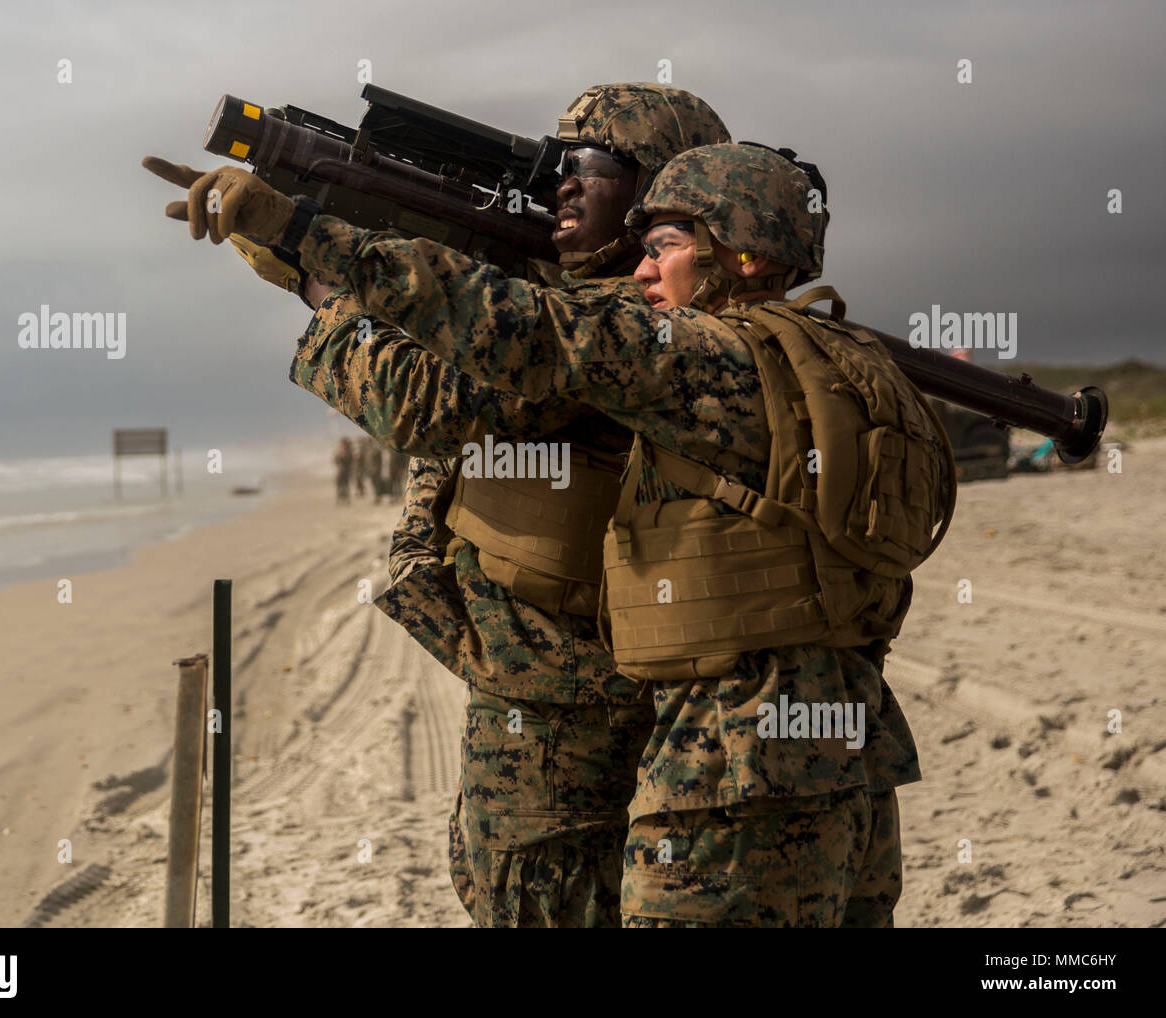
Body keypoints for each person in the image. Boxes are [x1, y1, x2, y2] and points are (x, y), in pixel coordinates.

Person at [211, 141, 955, 927]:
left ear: (740, 253)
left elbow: (518, 329)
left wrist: (309, 236)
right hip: (855, 756)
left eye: (664, 247)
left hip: (734, 769)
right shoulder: (857, 365)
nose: (640, 270)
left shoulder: (704, 358)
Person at [143, 84, 731, 927]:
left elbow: (430, 405)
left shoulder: (623, 321)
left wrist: (318, 278)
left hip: (576, 685)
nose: (557, 185)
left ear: (661, 193)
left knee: (540, 892)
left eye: (587, 168)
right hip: (555, 673)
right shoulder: (583, 302)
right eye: (553, 166)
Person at [333, 437, 354, 503]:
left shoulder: (349, 451)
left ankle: (346, 499)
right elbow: (334, 461)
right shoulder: (338, 451)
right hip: (339, 471)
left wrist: (344, 456)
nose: (343, 445)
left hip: (346, 471)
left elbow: (350, 461)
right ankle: (339, 499)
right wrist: (339, 456)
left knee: (346, 485)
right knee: (339, 486)